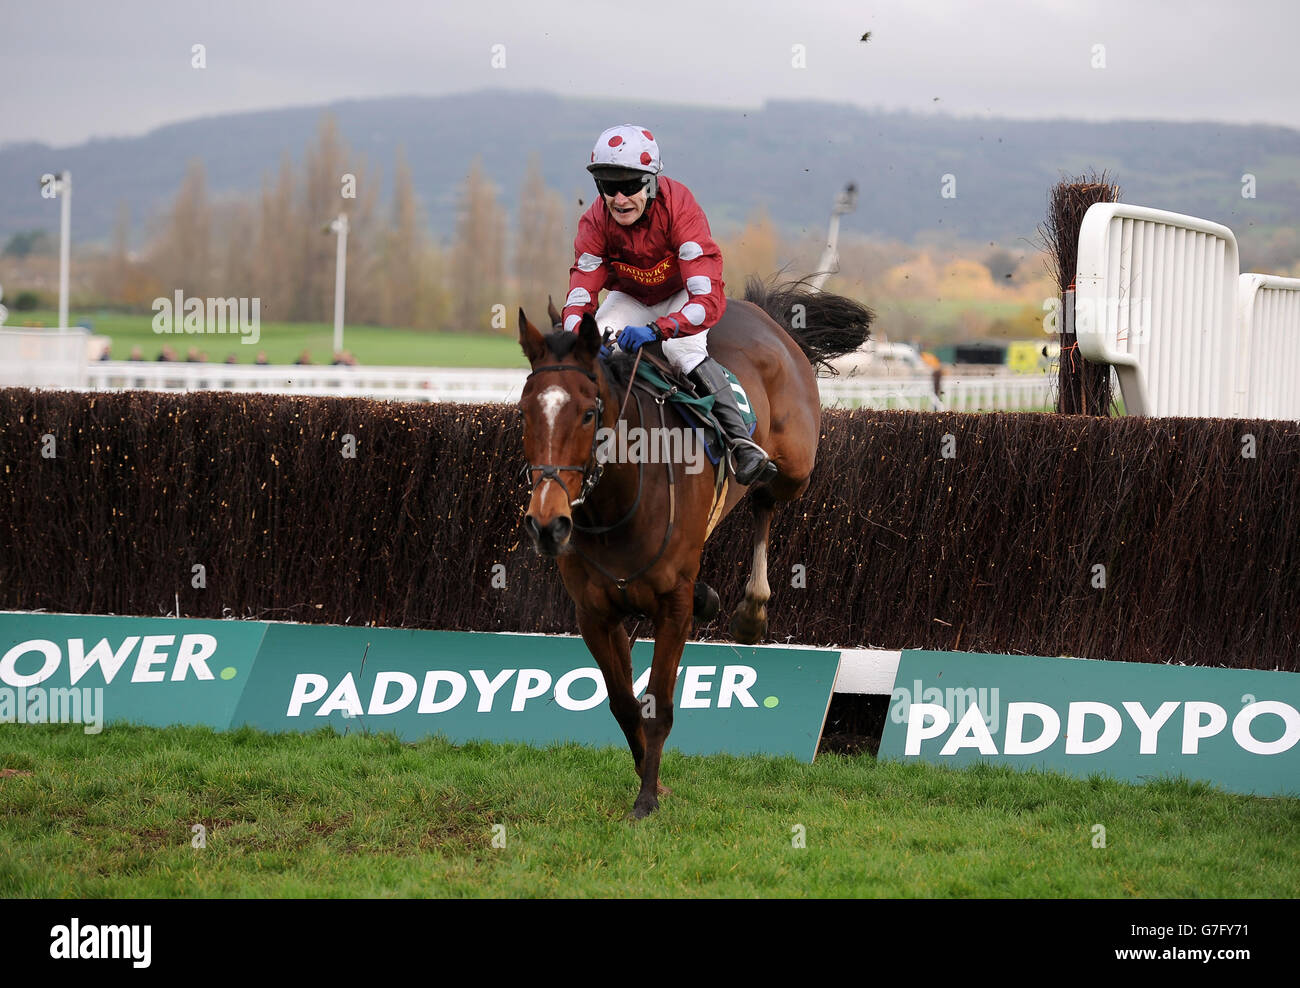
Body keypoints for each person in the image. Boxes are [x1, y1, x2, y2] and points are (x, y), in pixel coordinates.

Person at [560, 124, 775, 486]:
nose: (619, 198)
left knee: (682, 350)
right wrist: (582, 339)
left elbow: (705, 299)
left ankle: (742, 444)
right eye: (608, 187)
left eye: (629, 186)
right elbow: (580, 294)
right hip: (631, 296)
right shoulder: (595, 220)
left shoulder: (680, 208)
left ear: (651, 182)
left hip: (684, 295)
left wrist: (658, 330)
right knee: (588, 348)